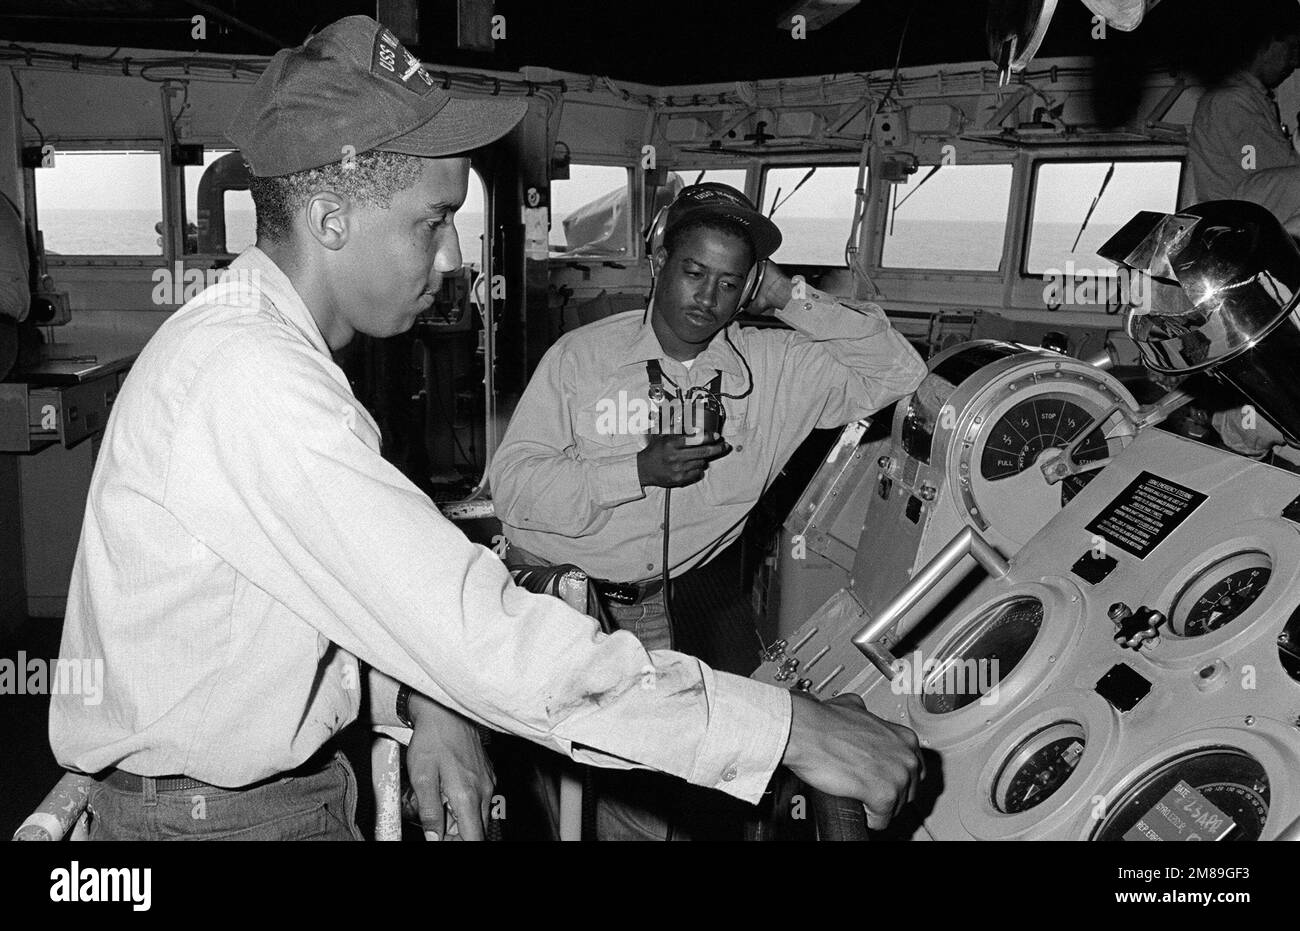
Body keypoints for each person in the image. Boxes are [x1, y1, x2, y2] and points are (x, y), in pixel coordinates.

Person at [49, 14, 923, 841]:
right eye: (433, 221)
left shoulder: (252, 347)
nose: (454, 258)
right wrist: (790, 729)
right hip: (223, 820)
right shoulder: (251, 379)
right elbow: (481, 633)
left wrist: (425, 699)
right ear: (331, 219)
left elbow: (332, 593)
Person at [488, 182, 927, 837]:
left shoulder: (774, 369)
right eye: (693, 272)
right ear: (660, 261)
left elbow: (900, 372)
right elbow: (513, 488)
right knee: (553, 793)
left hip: (650, 608)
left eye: (729, 282)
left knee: (647, 803)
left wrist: (787, 295)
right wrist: (634, 470)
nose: (707, 297)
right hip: (548, 593)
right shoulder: (581, 360)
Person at [1187, 0, 1300, 234]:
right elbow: (1267, 168)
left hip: (1248, 220)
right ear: (1266, 44)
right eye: (1291, 48)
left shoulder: (1243, 97)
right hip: (1238, 227)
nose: (1294, 61)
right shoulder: (1231, 101)